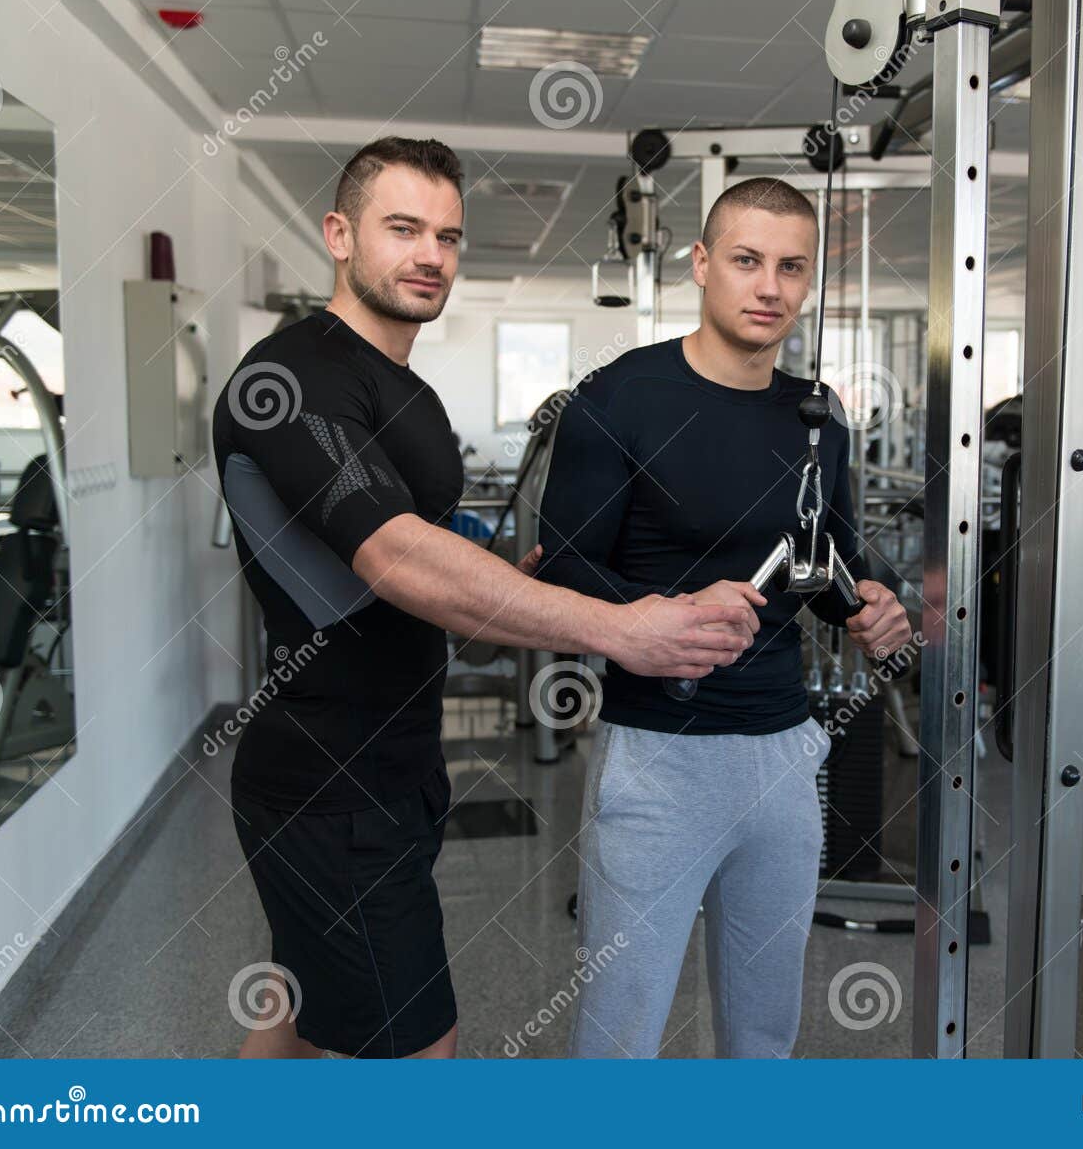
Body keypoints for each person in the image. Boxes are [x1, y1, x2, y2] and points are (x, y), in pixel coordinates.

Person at [212, 137, 759, 1060]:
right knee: (425, 1048)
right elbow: (393, 557)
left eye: (448, 235)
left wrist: (520, 577)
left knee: (294, 1010)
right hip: (329, 783)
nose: (431, 253)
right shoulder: (293, 375)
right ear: (339, 235)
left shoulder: (404, 392)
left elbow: (422, 537)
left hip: (394, 765)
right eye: (403, 228)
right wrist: (618, 630)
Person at [536, 177, 912, 1057]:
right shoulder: (619, 398)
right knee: (620, 1040)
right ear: (702, 264)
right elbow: (563, 568)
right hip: (659, 761)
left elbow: (834, 558)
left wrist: (876, 601)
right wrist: (663, 612)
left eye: (791, 267)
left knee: (763, 1036)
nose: (769, 287)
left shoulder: (816, 415)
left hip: (784, 755)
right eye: (746, 261)